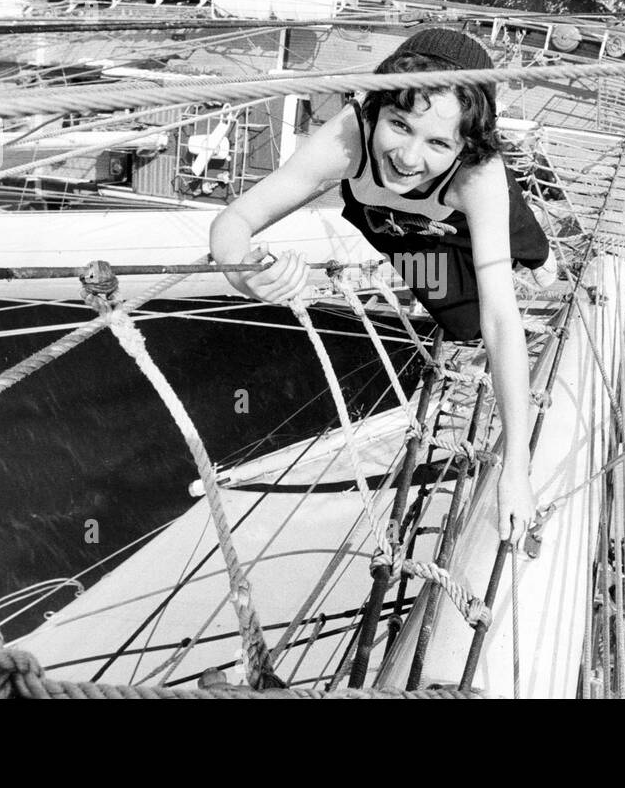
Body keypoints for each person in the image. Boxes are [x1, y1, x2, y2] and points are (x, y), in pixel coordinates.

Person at [209, 28, 551, 543]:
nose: (410, 158)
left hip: (461, 211)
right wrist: (244, 274)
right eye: (399, 124)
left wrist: (516, 470)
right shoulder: (345, 140)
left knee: (525, 252)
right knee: (461, 322)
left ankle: (541, 260)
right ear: (374, 109)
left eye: (438, 142)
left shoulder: (478, 173)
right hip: (397, 224)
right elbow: (234, 221)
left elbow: (503, 321)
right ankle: (481, 300)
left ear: (465, 146)